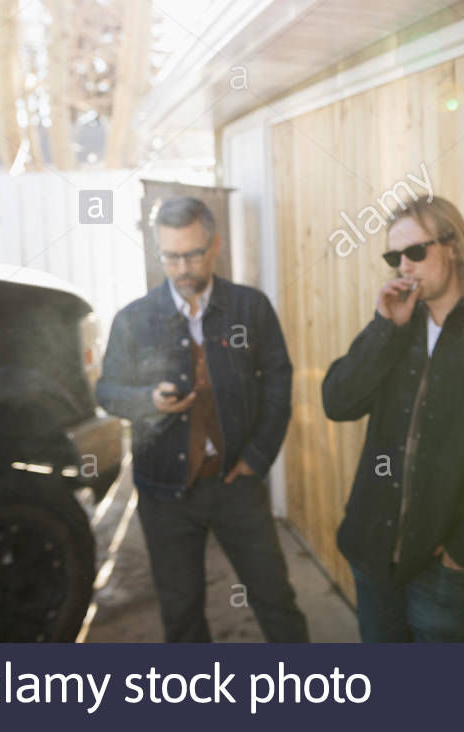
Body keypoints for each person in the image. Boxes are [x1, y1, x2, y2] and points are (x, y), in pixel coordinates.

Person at [323, 195, 464, 642]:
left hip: (444, 563)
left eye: (415, 251)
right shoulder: (395, 324)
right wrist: (384, 326)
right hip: (372, 549)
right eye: (394, 256)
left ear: (453, 247)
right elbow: (338, 401)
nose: (403, 265)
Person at [96, 196, 309, 642]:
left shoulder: (250, 308)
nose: (182, 267)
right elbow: (107, 392)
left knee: (275, 598)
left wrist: (257, 457)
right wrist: (148, 399)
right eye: (171, 256)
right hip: (164, 493)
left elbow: (278, 380)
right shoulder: (133, 319)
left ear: (215, 246)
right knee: (182, 613)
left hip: (238, 481)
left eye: (193, 253)